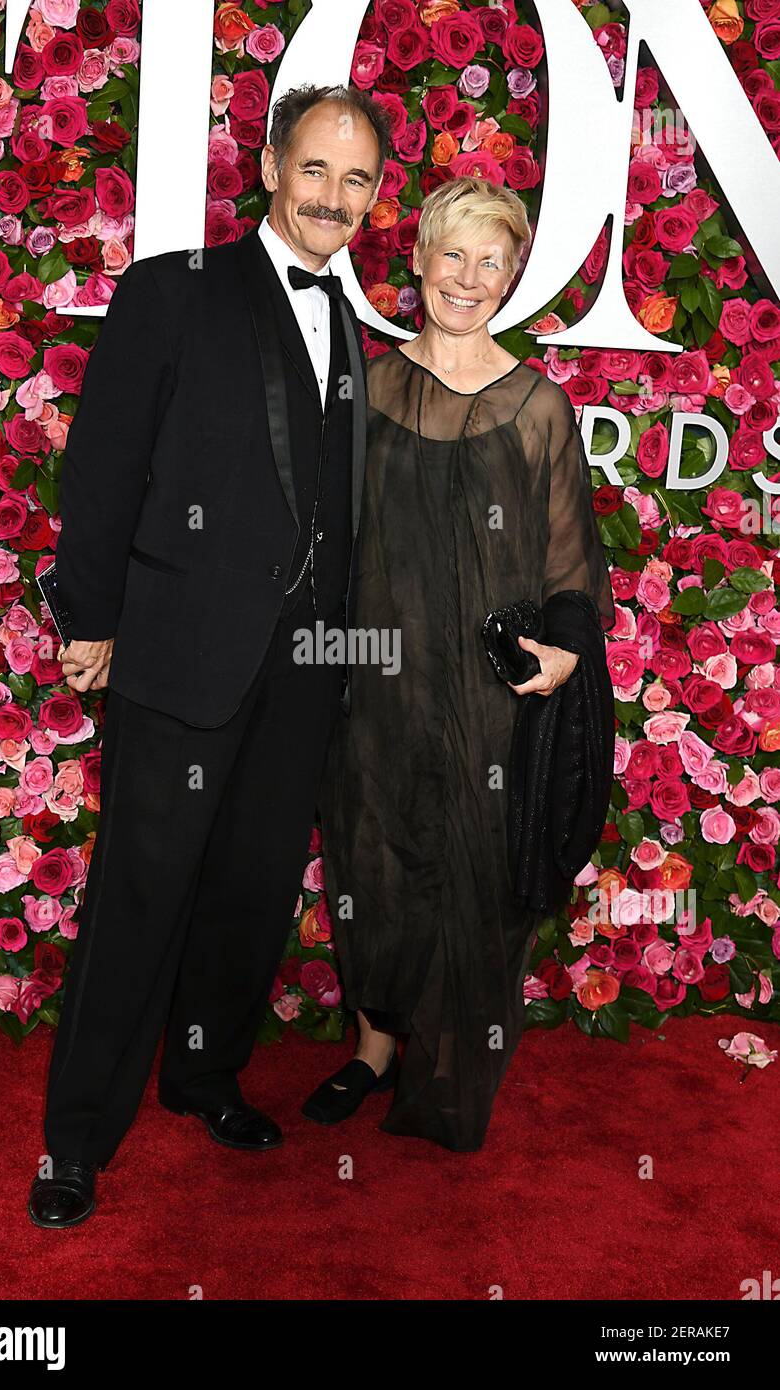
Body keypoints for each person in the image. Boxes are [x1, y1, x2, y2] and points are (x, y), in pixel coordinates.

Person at [28, 84, 390, 1228]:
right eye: (317, 169)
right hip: (181, 656)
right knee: (137, 899)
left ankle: (199, 1076)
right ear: (273, 167)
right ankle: (76, 1140)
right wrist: (88, 616)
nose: (334, 195)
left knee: (247, 893)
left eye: (358, 178)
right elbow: (101, 469)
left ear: (375, 198)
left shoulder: (361, 331)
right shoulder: (171, 293)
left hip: (303, 676)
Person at [304, 176, 616, 1153]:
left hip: (490, 700)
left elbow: (569, 548)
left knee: (472, 879)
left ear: (511, 275)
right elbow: (322, 533)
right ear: (418, 260)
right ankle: (371, 1048)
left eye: (490, 261)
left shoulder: (536, 406)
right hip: (374, 687)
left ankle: (443, 1058)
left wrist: (565, 650)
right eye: (453, 255)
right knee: (371, 862)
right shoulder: (364, 386)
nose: (467, 278)